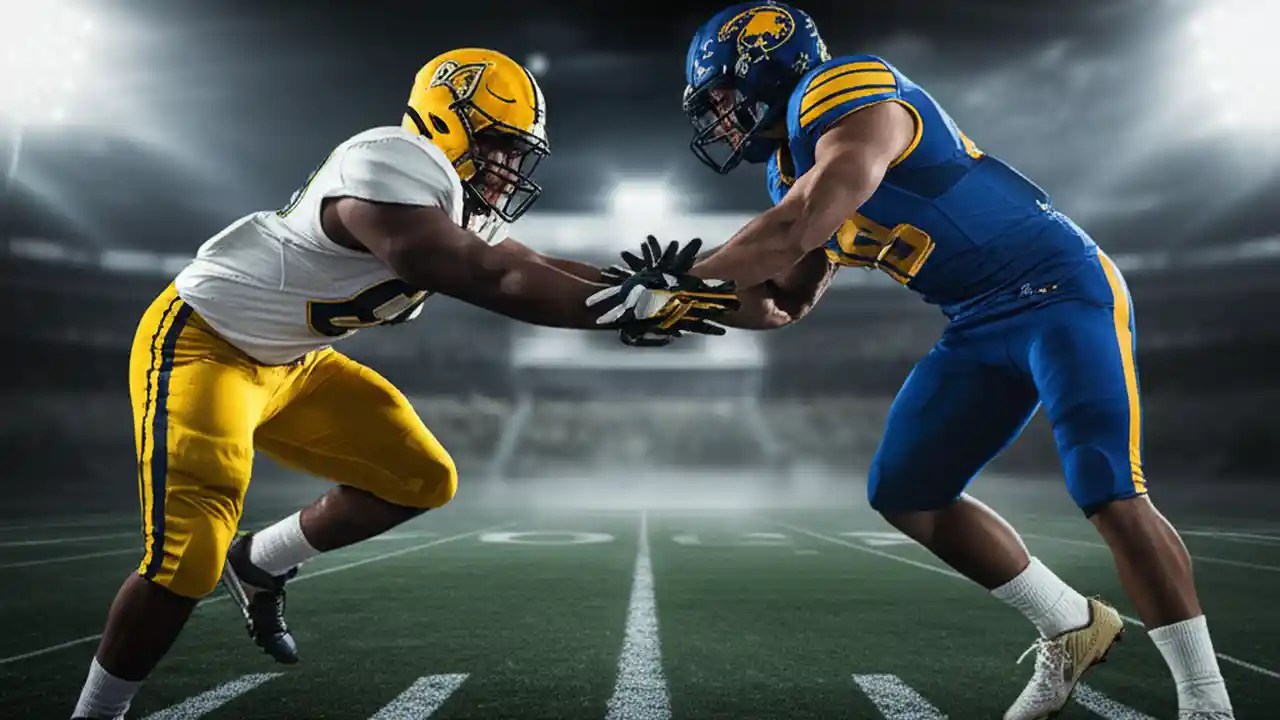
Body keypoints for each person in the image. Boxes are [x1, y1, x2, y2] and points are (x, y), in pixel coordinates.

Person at [70, 47, 735, 720]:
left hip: (294, 364)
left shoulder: (453, 202)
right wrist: (619, 312)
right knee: (187, 558)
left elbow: (524, 259)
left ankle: (260, 562)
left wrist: (631, 284)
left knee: (421, 479)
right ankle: (96, 713)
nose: (509, 167)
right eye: (500, 144)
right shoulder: (389, 159)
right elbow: (485, 275)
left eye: (519, 153)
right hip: (204, 344)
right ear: (447, 119)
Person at [649, 3, 1235, 718]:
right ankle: (1071, 624)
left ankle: (1207, 701)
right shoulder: (787, 169)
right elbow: (784, 302)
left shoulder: (846, 88)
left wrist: (685, 279)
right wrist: (691, 305)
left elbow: (797, 228)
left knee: (1108, 486)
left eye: (719, 95)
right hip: (977, 322)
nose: (719, 115)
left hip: (1061, 292)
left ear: (766, 63)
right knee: (906, 491)